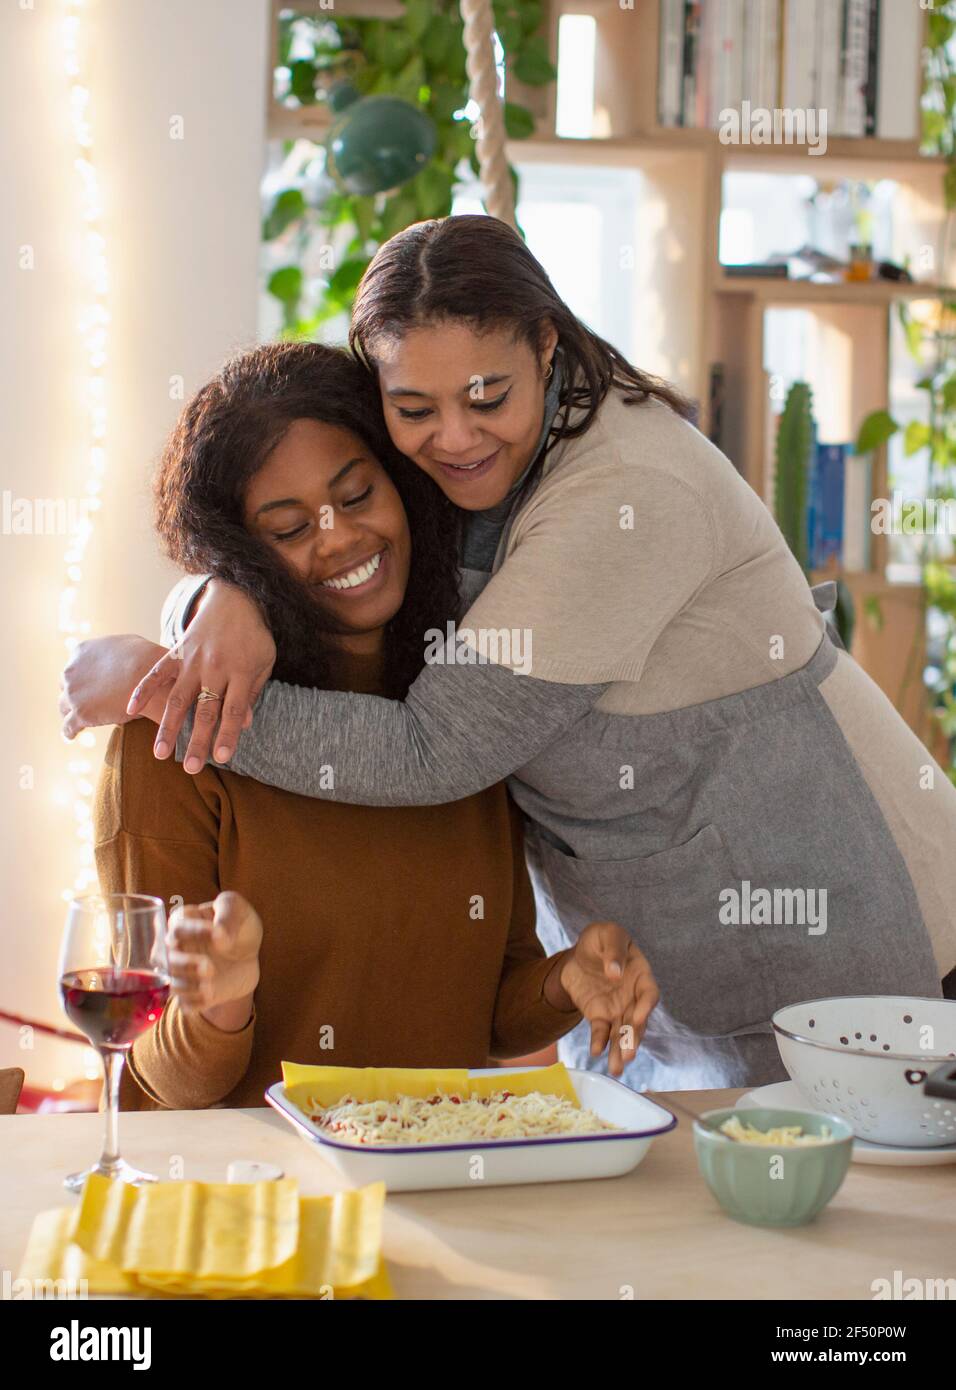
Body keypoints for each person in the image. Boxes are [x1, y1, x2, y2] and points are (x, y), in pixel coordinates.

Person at [65, 215, 956, 1093]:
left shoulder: (625, 492)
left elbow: (432, 749)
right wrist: (219, 595)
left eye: (487, 396)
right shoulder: (451, 468)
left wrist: (165, 690)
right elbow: (291, 512)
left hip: (861, 937)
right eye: (414, 408)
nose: (453, 436)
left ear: (545, 341)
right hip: (670, 995)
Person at [81, 341, 658, 1110]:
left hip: (432, 1180)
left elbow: (490, 1011)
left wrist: (565, 980)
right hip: (248, 1201)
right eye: (287, 531)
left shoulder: (463, 707)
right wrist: (219, 1002)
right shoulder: (171, 740)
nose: (340, 537)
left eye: (356, 495)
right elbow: (160, 1079)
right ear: (238, 559)